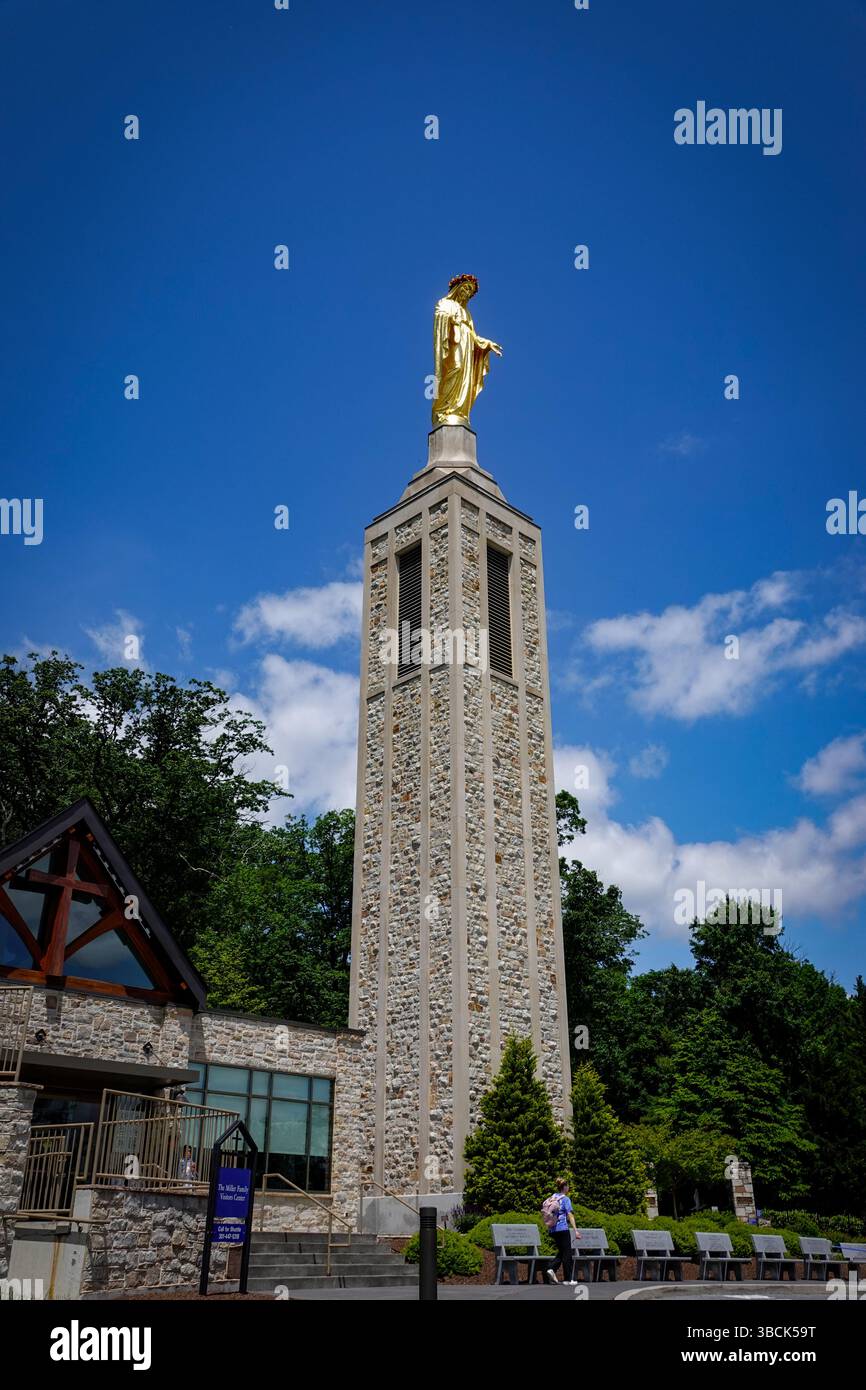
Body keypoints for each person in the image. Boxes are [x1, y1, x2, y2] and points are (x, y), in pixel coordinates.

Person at [545, 1179, 580, 1285]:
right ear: (564, 1187)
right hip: (562, 1228)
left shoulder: (552, 1197)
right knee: (567, 1253)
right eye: (568, 1186)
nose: (568, 1188)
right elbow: (570, 1215)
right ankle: (568, 1279)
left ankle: (552, 1269)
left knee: (562, 1251)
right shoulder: (565, 1199)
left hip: (552, 1229)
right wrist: (575, 1230)